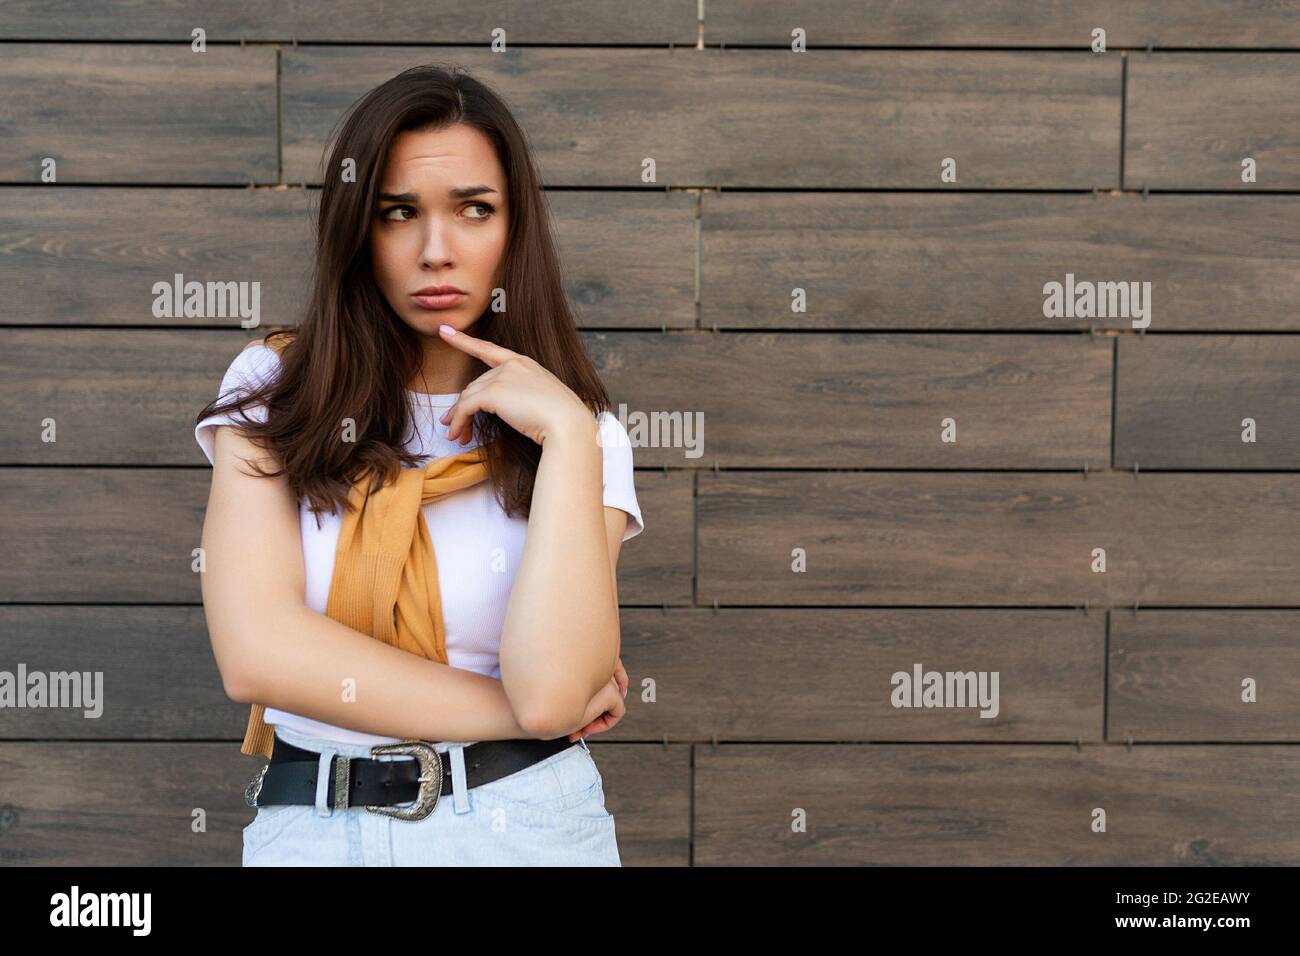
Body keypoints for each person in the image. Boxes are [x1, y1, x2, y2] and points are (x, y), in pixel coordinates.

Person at [193, 64, 642, 866]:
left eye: (475, 210)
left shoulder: (579, 432)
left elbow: (551, 688)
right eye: (400, 214)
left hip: (528, 829)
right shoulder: (276, 388)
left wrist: (570, 441)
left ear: (516, 228)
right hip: (314, 829)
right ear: (358, 232)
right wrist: (518, 714)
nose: (437, 252)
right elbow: (257, 653)